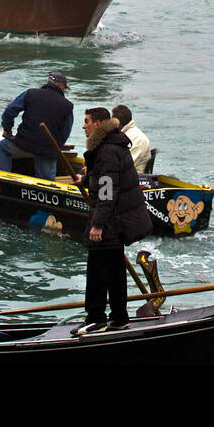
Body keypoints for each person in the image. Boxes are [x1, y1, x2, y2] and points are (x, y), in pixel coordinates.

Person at [73, 107, 152, 336]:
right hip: (118, 219)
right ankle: (119, 318)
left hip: (110, 221)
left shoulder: (106, 151)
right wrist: (85, 179)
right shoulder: (114, 145)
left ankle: (96, 318)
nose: (83, 126)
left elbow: (107, 193)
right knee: (115, 270)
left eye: (86, 121)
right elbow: (106, 178)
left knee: (97, 271)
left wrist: (97, 225)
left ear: (97, 123)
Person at [0, 71, 74, 182]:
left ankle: (2, 180)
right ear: (61, 86)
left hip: (24, 144)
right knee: (47, 182)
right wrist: (56, 147)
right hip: (47, 150)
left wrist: (7, 129)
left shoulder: (30, 94)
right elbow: (66, 132)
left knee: (2, 147)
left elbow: (9, 111)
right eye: (65, 88)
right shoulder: (68, 106)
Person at [111, 105, 152, 175]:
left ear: (117, 123)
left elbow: (125, 166)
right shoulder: (124, 134)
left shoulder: (137, 138)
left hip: (131, 180)